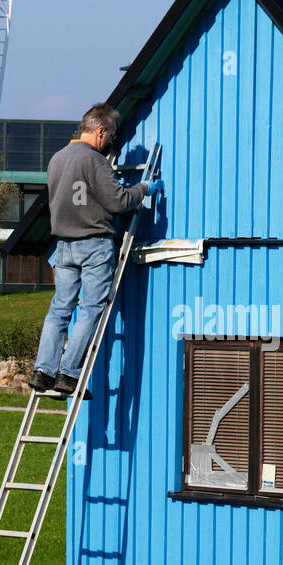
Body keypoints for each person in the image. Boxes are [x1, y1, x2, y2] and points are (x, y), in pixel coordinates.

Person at [29, 104, 163, 396]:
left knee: (60, 310)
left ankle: (43, 371)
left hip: (63, 246)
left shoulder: (57, 159)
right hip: (94, 245)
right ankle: (68, 374)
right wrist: (144, 189)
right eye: (110, 136)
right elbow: (118, 202)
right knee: (90, 309)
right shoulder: (94, 161)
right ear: (100, 131)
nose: (110, 144)